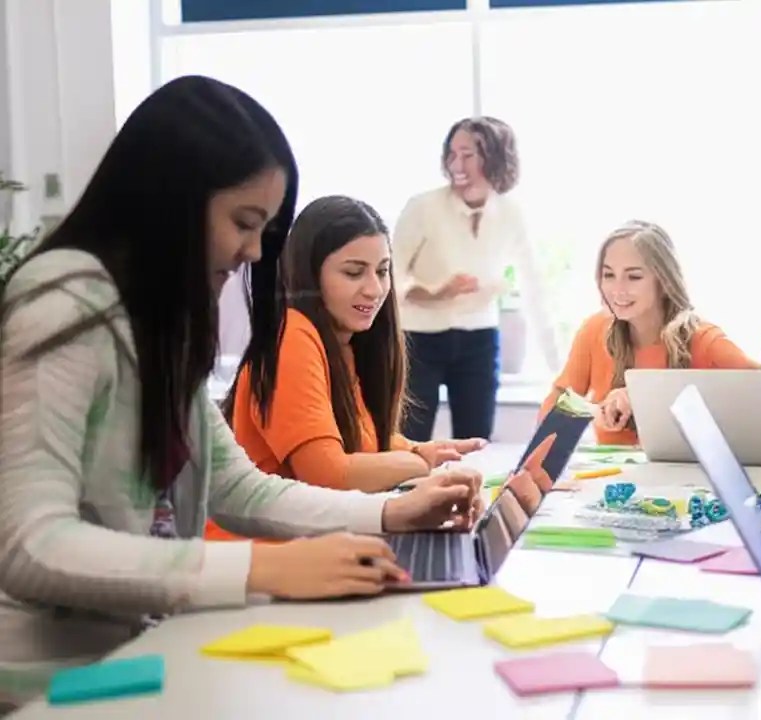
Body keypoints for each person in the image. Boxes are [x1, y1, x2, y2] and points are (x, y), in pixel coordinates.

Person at [0, 76, 479, 708]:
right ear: (171, 201)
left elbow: (240, 489)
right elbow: (31, 544)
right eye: (243, 223)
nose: (254, 251)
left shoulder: (158, 322)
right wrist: (264, 567)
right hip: (51, 679)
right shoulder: (63, 306)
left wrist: (392, 514)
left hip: (141, 649)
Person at [227, 195, 485, 495]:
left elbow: (364, 441)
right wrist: (421, 464)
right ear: (309, 275)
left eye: (382, 271)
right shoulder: (290, 337)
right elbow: (329, 473)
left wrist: (423, 452)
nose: (375, 290)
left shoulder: (343, 346)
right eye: (353, 273)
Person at [392, 116, 558, 442]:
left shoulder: (511, 213)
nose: (457, 164)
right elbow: (390, 275)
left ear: (494, 158)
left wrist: (558, 370)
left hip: (479, 339)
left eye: (468, 155)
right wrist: (433, 293)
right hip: (418, 338)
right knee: (410, 441)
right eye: (452, 154)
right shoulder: (422, 207)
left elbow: (534, 288)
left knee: (476, 442)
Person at [542, 220, 760, 446]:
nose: (617, 290)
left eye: (634, 277)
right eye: (609, 275)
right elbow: (554, 406)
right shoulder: (594, 329)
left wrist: (646, 396)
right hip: (613, 469)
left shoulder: (703, 339)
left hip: (682, 468)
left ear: (664, 281)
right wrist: (595, 411)